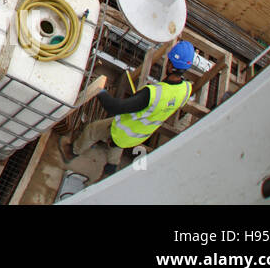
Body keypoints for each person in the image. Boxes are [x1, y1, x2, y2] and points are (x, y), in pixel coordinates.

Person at [61, 40, 195, 175]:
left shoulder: (152, 94)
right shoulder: (186, 89)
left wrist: (100, 90)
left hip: (123, 128)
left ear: (171, 66)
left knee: (92, 130)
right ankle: (109, 172)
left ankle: (72, 152)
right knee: (117, 145)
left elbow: (115, 107)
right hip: (139, 134)